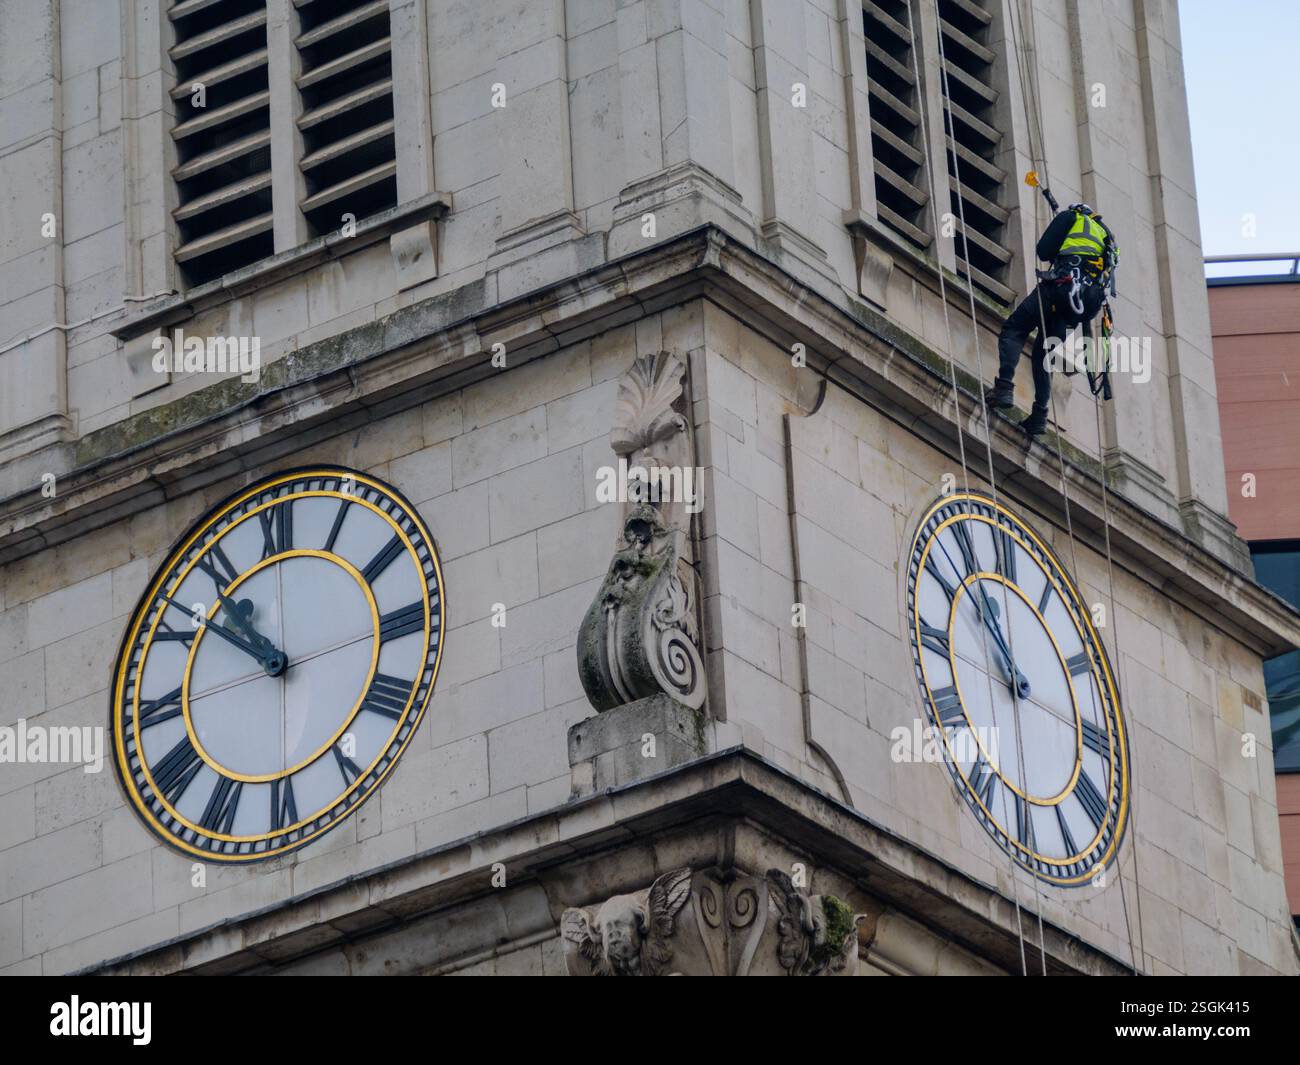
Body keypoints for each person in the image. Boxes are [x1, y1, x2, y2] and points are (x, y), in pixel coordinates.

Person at [985, 204, 1118, 435]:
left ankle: (1004, 387)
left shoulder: (1070, 218)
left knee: (1015, 329)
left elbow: (1044, 251)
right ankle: (1039, 415)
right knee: (1043, 355)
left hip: (1059, 288)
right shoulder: (1105, 236)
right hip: (1079, 306)